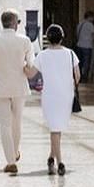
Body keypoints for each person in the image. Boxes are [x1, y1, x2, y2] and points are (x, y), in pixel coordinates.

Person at [0, 8, 35, 173]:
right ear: (14, 23)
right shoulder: (25, 41)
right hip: (19, 87)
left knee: (4, 124)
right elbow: (31, 65)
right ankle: (15, 151)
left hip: (1, 87)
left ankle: (11, 161)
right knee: (16, 122)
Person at [32, 24, 80, 175]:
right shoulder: (71, 54)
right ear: (62, 37)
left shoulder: (42, 55)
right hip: (66, 95)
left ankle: (60, 163)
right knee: (57, 128)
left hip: (50, 96)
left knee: (54, 128)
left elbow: (30, 73)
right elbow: (77, 76)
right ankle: (52, 158)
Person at [73, 12, 94, 84]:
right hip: (87, 46)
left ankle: (79, 77)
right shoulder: (90, 25)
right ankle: (85, 78)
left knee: (80, 62)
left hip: (79, 45)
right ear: (89, 17)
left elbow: (77, 34)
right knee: (86, 63)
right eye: (92, 17)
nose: (93, 19)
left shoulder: (80, 24)